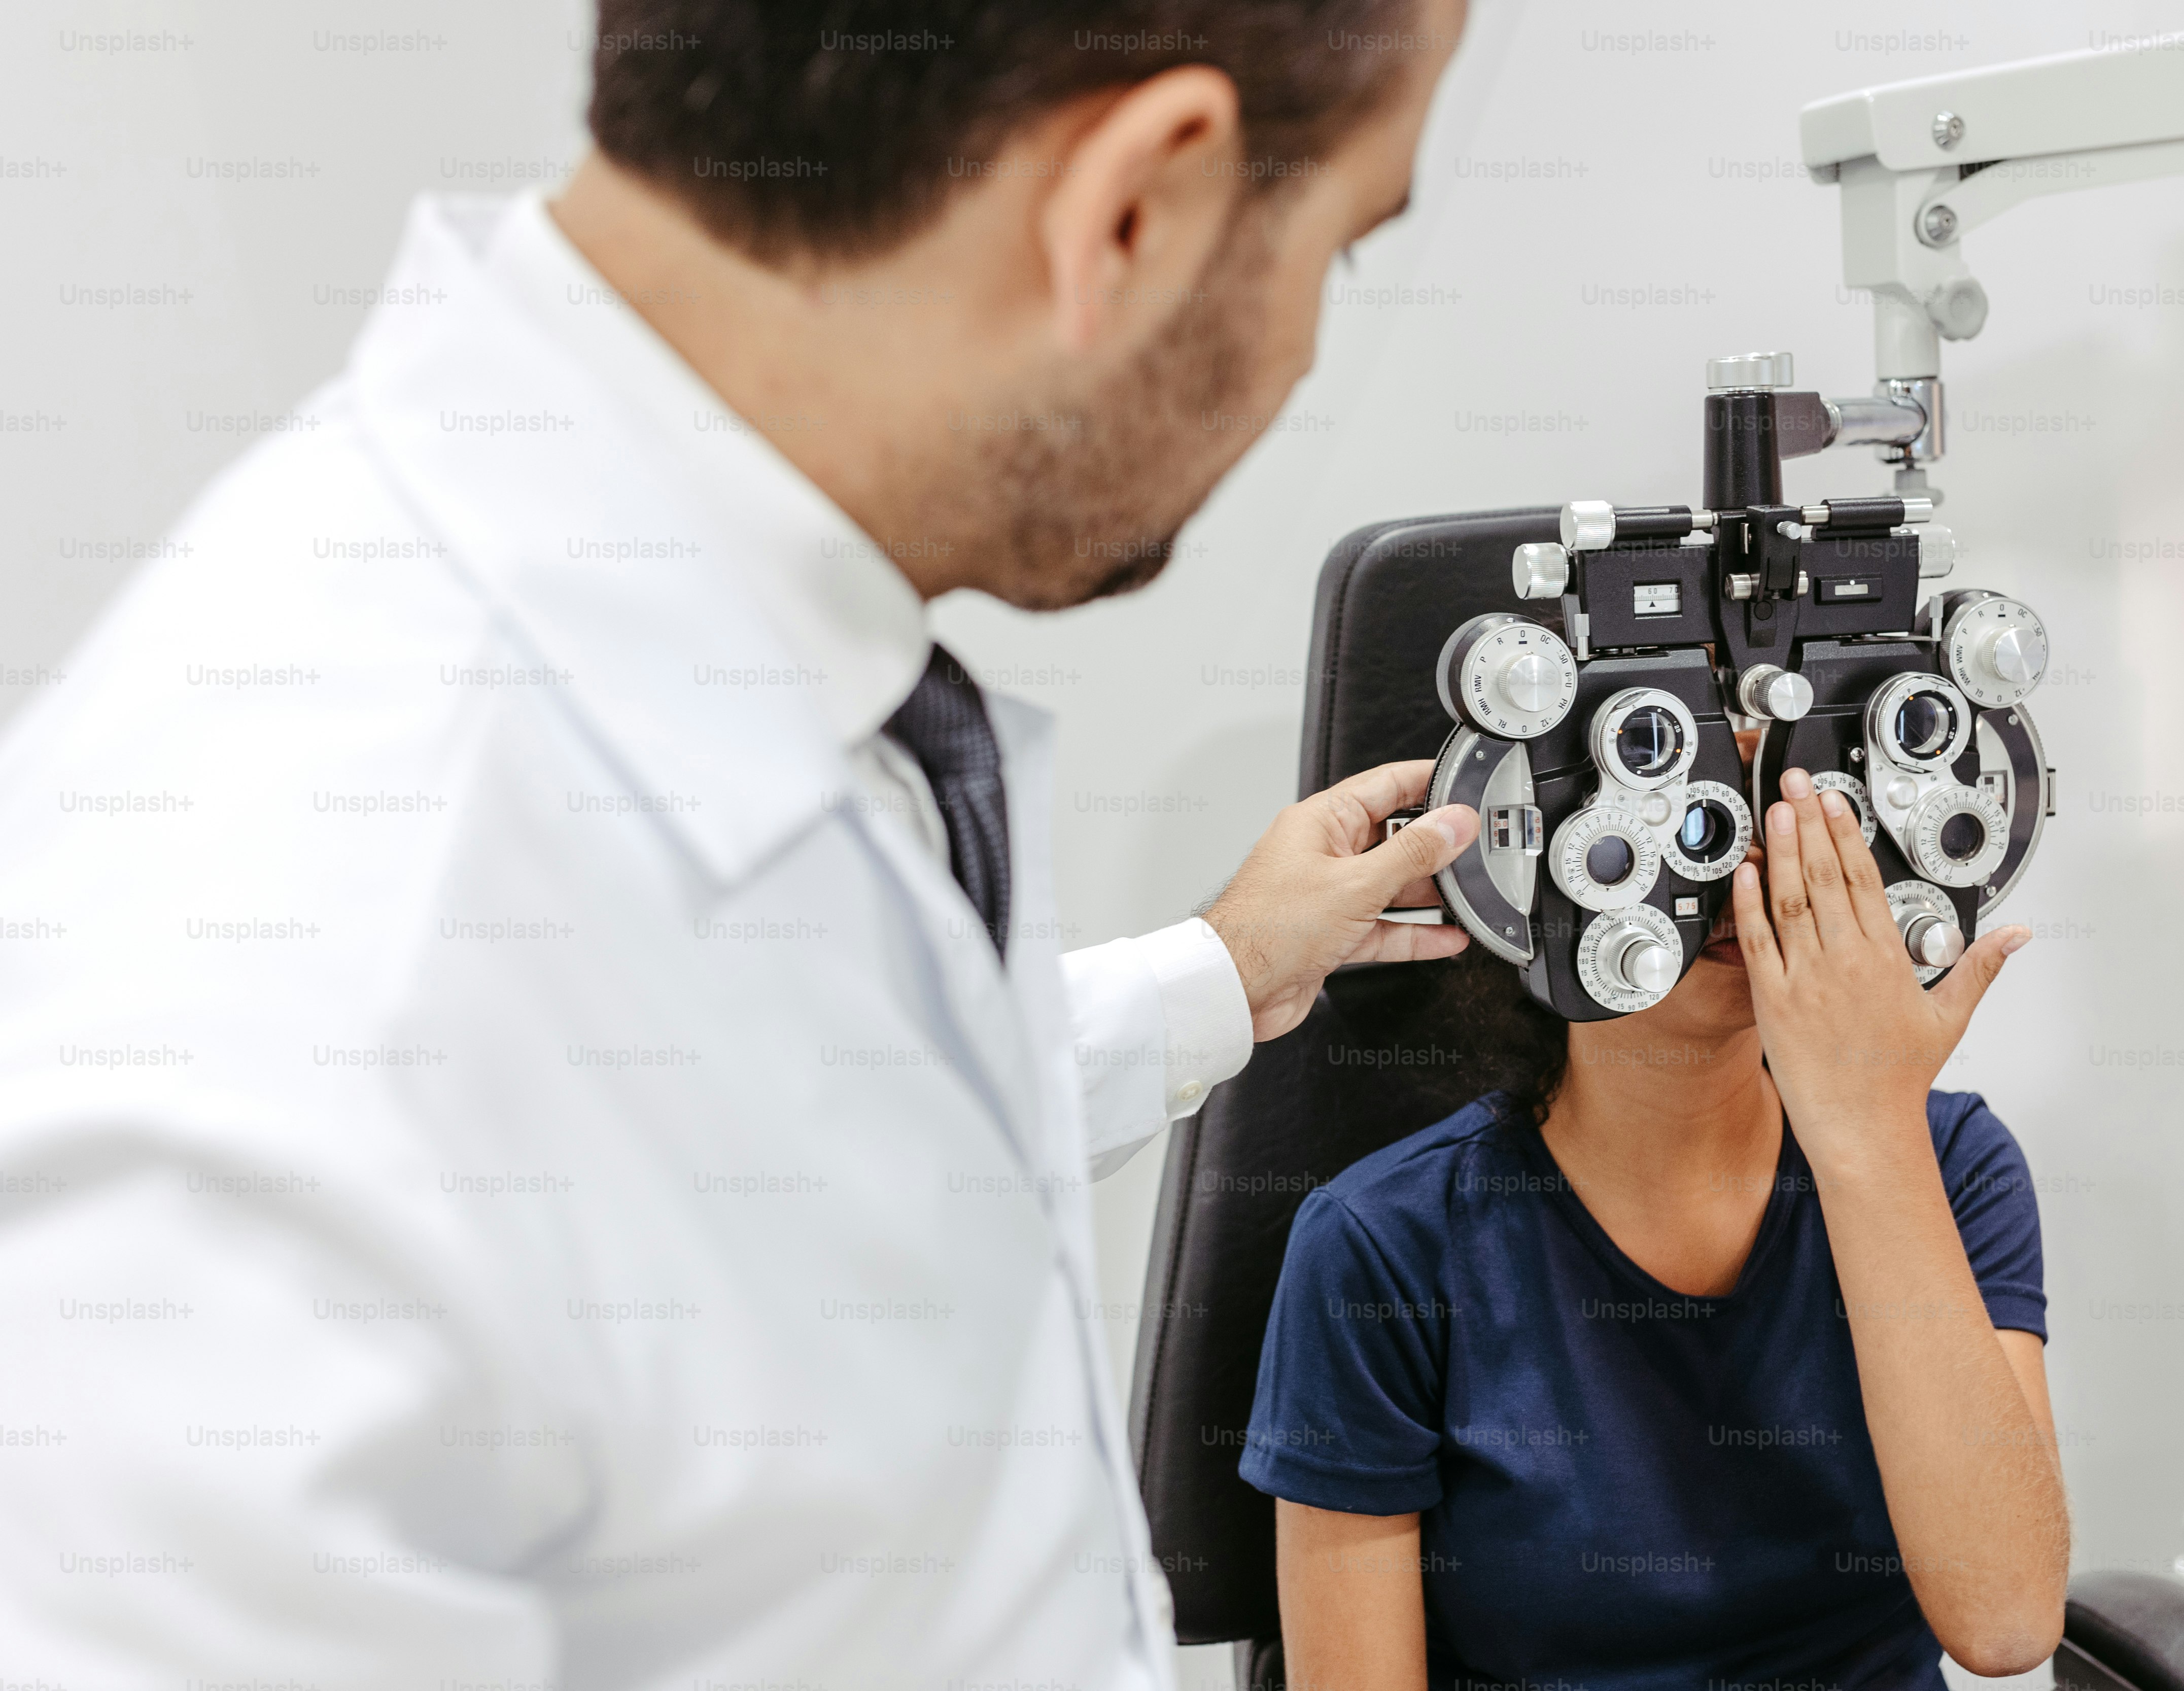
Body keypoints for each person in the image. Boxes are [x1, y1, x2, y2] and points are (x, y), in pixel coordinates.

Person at [0, 2, 1474, 1683]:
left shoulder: (738, 667)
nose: (1300, 352)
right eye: (1340, 251)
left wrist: (1215, 974)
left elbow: (741, 1158)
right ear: (1131, 208)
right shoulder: (277, 1031)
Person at [1244, 766, 2069, 1688]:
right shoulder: (1382, 1247)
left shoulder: (1948, 1163)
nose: (1747, 854)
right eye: (1673, 788)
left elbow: (2006, 1627)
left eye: (1779, 789)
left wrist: (1872, 1135)